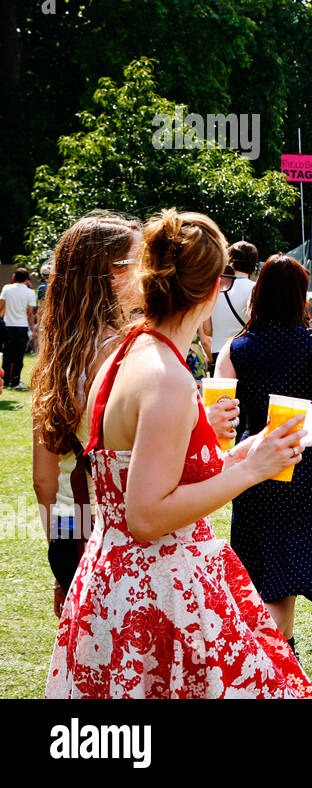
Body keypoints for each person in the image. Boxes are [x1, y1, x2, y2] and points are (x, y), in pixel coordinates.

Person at [46, 210, 312, 698]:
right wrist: (252, 469)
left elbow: (153, 473)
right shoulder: (165, 376)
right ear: (216, 288)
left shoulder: (128, 352)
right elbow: (147, 515)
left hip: (119, 580)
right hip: (158, 588)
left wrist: (238, 456)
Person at [215, 255, 312, 652]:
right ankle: (278, 653)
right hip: (300, 460)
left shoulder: (234, 348)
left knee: (257, 564)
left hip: (251, 460)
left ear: (258, 294)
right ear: (298, 297)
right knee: (287, 566)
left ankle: (275, 651)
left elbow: (221, 411)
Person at [31, 214, 147, 619]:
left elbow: (43, 482)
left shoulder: (54, 357)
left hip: (67, 527)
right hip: (117, 530)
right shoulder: (129, 353)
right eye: (141, 260)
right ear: (113, 275)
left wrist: (64, 568)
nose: (149, 271)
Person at [202, 240, 257, 367]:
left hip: (219, 352)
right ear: (253, 264)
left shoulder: (214, 289)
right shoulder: (255, 288)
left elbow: (207, 330)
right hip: (247, 351)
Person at [1, 267, 38, 389]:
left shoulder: (7, 288)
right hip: (21, 326)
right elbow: (31, 314)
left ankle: (5, 381)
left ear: (14, 277)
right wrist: (32, 329)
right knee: (19, 356)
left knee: (7, 355)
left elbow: (1, 307)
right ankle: (15, 382)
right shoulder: (30, 292)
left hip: (7, 325)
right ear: (27, 279)